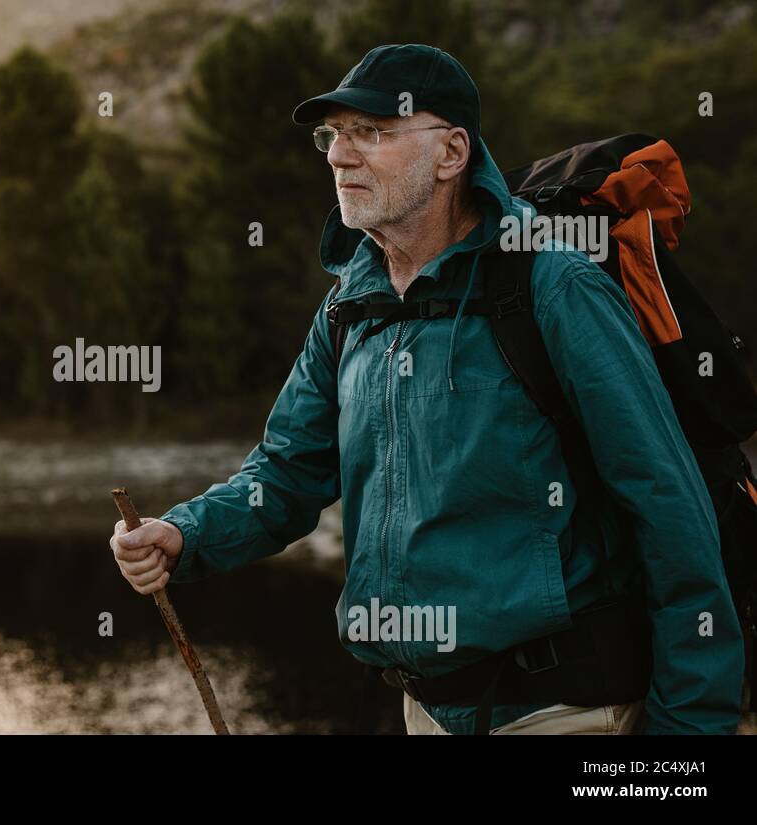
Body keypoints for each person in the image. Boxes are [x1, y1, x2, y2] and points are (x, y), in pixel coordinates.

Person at [109, 44, 745, 735]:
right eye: (333, 134)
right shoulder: (351, 305)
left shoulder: (552, 288)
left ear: (450, 154)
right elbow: (288, 471)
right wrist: (183, 533)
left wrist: (688, 733)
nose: (338, 156)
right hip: (427, 712)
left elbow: (668, 505)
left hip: (561, 711)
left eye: (371, 133)